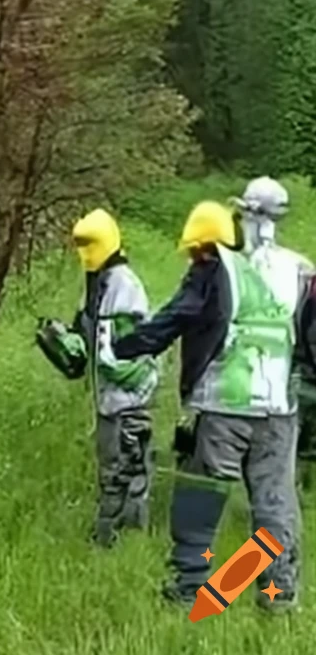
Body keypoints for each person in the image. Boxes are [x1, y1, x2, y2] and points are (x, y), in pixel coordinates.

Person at [113, 200, 307, 613]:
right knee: (274, 505)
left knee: (202, 496)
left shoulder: (215, 270)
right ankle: (277, 597)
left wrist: (121, 346)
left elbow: (168, 323)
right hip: (279, 411)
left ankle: (191, 592)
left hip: (225, 406)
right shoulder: (299, 268)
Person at [67, 210, 159, 547]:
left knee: (124, 467)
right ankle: (117, 534)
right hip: (111, 397)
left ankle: (114, 538)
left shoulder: (124, 284)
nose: (84, 251)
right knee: (116, 464)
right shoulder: (98, 281)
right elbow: (85, 331)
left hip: (128, 397)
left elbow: (116, 351)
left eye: (89, 243)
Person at [234, 178, 316, 491]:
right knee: (274, 498)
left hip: (234, 400)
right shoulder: (299, 267)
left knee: (210, 493)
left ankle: (262, 541)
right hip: (277, 398)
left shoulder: (231, 266)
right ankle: (272, 540)